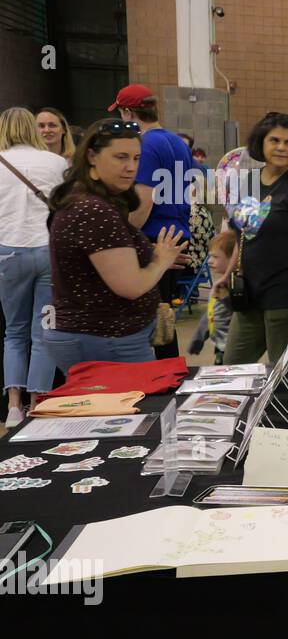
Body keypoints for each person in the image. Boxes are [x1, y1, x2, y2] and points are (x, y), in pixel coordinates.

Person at [44, 118, 187, 371]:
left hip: (106, 337)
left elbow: (97, 264)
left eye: (136, 158)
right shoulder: (93, 210)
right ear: (91, 156)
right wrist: (160, 261)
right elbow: (131, 287)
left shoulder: (91, 201)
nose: (131, 167)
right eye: (120, 157)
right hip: (106, 339)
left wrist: (151, 256)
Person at [223, 113, 288, 364]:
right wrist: (228, 274)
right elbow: (244, 233)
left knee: (286, 374)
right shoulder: (249, 183)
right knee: (232, 368)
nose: (281, 147)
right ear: (262, 143)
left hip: (287, 298)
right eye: (275, 140)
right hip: (249, 294)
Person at [108, 84, 196, 357]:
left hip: (152, 236)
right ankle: (167, 376)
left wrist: (122, 237)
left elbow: (144, 201)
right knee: (163, 317)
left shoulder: (146, 144)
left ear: (128, 112)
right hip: (174, 232)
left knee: (147, 321)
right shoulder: (178, 143)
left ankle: (156, 382)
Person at [0, 107, 67, 428]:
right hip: (47, 250)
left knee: (13, 333)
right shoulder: (56, 162)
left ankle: (13, 407)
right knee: (43, 333)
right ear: (32, 128)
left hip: (8, 252)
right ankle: (38, 401)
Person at [187, 229, 236, 364]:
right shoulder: (217, 284)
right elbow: (210, 313)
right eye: (209, 256)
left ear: (233, 258)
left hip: (233, 346)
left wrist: (226, 298)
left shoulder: (236, 286)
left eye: (215, 257)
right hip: (220, 344)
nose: (209, 261)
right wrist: (198, 338)